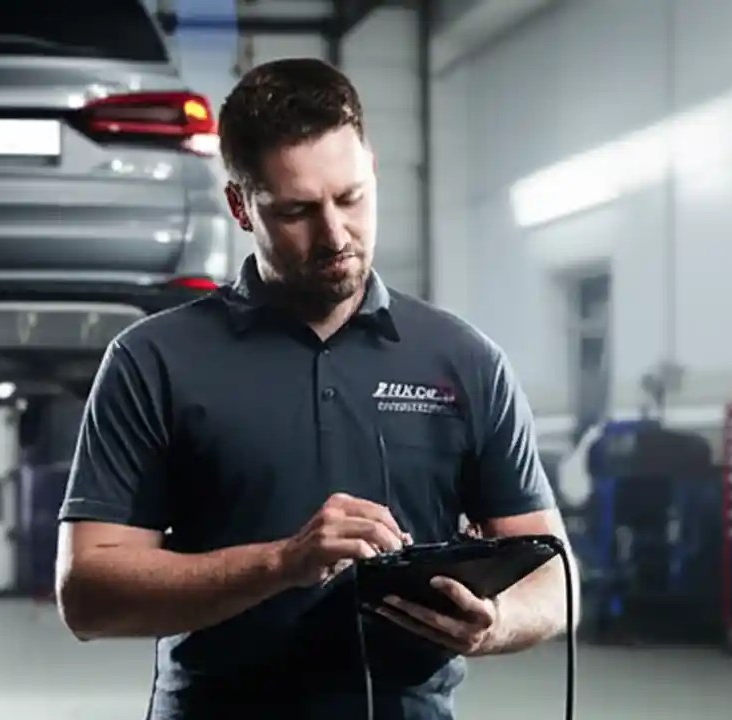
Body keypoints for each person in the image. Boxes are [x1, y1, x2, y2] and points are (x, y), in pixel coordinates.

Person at [53, 57, 578, 719]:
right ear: (241, 206)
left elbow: (554, 577)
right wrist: (282, 562)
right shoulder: (153, 360)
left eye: (351, 197)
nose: (335, 234)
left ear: (373, 171)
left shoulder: (465, 360)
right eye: (298, 210)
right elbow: (88, 595)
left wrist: (496, 621)